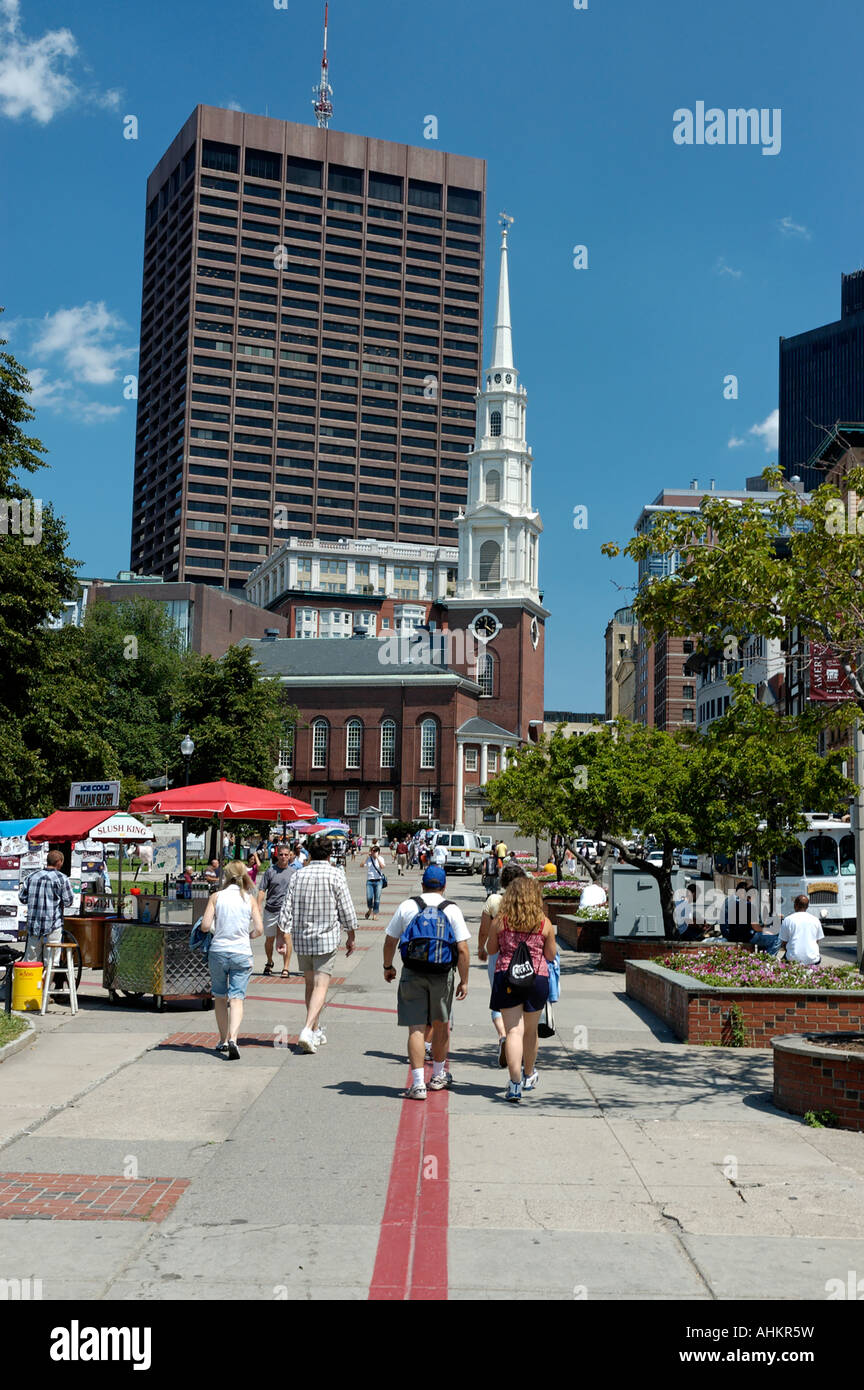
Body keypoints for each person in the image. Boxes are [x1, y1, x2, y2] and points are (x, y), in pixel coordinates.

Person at [382, 865, 470, 1099]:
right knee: (441, 1026)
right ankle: (438, 1076)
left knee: (416, 1028)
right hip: (442, 974)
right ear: (444, 887)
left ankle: (418, 1084)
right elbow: (462, 949)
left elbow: (390, 940)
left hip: (413, 972)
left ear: (423, 885)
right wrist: (464, 980)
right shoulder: (451, 910)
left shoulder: (408, 906)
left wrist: (388, 967)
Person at [279, 839, 358, 1053]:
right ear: (330, 854)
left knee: (309, 985)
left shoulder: (298, 875)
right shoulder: (336, 875)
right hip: (326, 938)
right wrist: (351, 934)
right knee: (321, 986)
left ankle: (314, 1030)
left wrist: (281, 935)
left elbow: (286, 908)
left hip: (302, 937)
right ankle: (306, 1029)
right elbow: (346, 909)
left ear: (310, 854)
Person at [486, 875, 557, 1102]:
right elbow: (551, 955)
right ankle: (528, 1075)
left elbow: (491, 949)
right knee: (531, 1030)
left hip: (508, 977)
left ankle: (514, 1084)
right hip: (537, 979)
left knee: (513, 1031)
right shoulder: (543, 922)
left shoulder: (501, 921)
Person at [201, 860, 264, 1059]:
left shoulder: (216, 897)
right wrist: (249, 936)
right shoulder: (249, 898)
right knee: (237, 998)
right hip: (241, 952)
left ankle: (222, 1040)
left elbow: (204, 926)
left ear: (226, 876)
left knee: (220, 997)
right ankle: (234, 1039)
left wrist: (216, 930)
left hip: (219, 951)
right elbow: (259, 929)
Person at [478, 864, 525, 1065]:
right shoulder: (527, 903)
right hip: (524, 957)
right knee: (521, 1002)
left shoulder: (494, 901)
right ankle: (517, 1042)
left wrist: (481, 947)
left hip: (498, 955)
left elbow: (484, 930)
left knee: (499, 998)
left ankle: (503, 1035)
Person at [18, 850, 73, 963]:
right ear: (59, 862)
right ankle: (46, 980)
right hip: (53, 926)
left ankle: (35, 981)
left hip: (34, 926)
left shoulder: (31, 877)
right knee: (51, 962)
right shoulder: (62, 878)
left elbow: (22, 898)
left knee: (31, 962)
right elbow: (68, 901)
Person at [257, 844, 297, 977]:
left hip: (286, 911)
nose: (284, 857)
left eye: (286, 854)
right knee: (270, 939)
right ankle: (269, 962)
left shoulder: (293, 872)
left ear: (290, 855)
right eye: (281, 854)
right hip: (270, 910)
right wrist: (257, 906)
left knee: (286, 937)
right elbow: (262, 890)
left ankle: (286, 967)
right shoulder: (270, 871)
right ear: (277, 855)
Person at [779, 894, 824, 965]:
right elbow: (816, 941)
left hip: (793, 959)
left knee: (782, 961)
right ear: (807, 906)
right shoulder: (815, 920)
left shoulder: (788, 920)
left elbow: (784, 943)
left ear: (795, 905)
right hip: (813, 959)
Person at [365, 843, 386, 919]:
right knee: (369, 897)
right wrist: (366, 857)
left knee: (377, 898)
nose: (373, 852)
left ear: (378, 852)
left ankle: (375, 914)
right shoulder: (369, 859)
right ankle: (370, 909)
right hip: (370, 881)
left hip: (378, 881)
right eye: (372, 851)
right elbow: (361, 865)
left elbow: (382, 866)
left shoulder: (381, 858)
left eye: (375, 851)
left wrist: (377, 858)